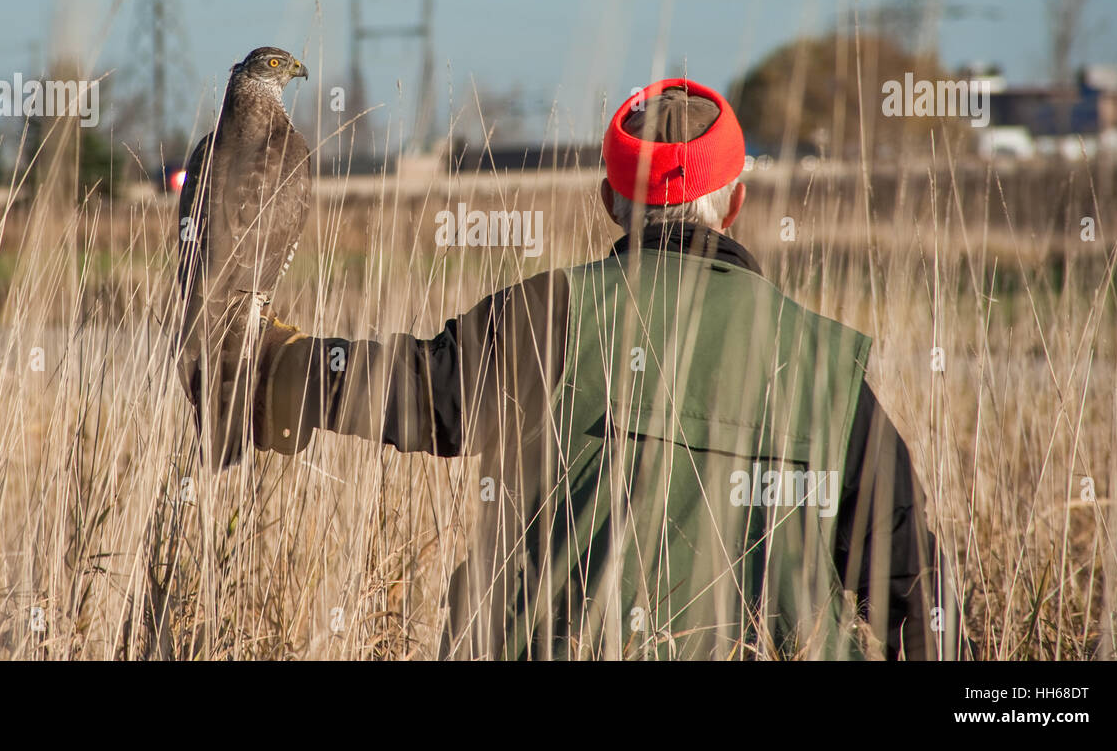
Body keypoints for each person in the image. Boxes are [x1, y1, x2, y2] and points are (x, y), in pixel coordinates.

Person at [199, 79, 960, 660]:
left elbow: (416, 392)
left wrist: (266, 367)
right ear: (735, 207)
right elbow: (916, 590)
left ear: (610, 201)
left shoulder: (554, 316)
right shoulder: (828, 370)